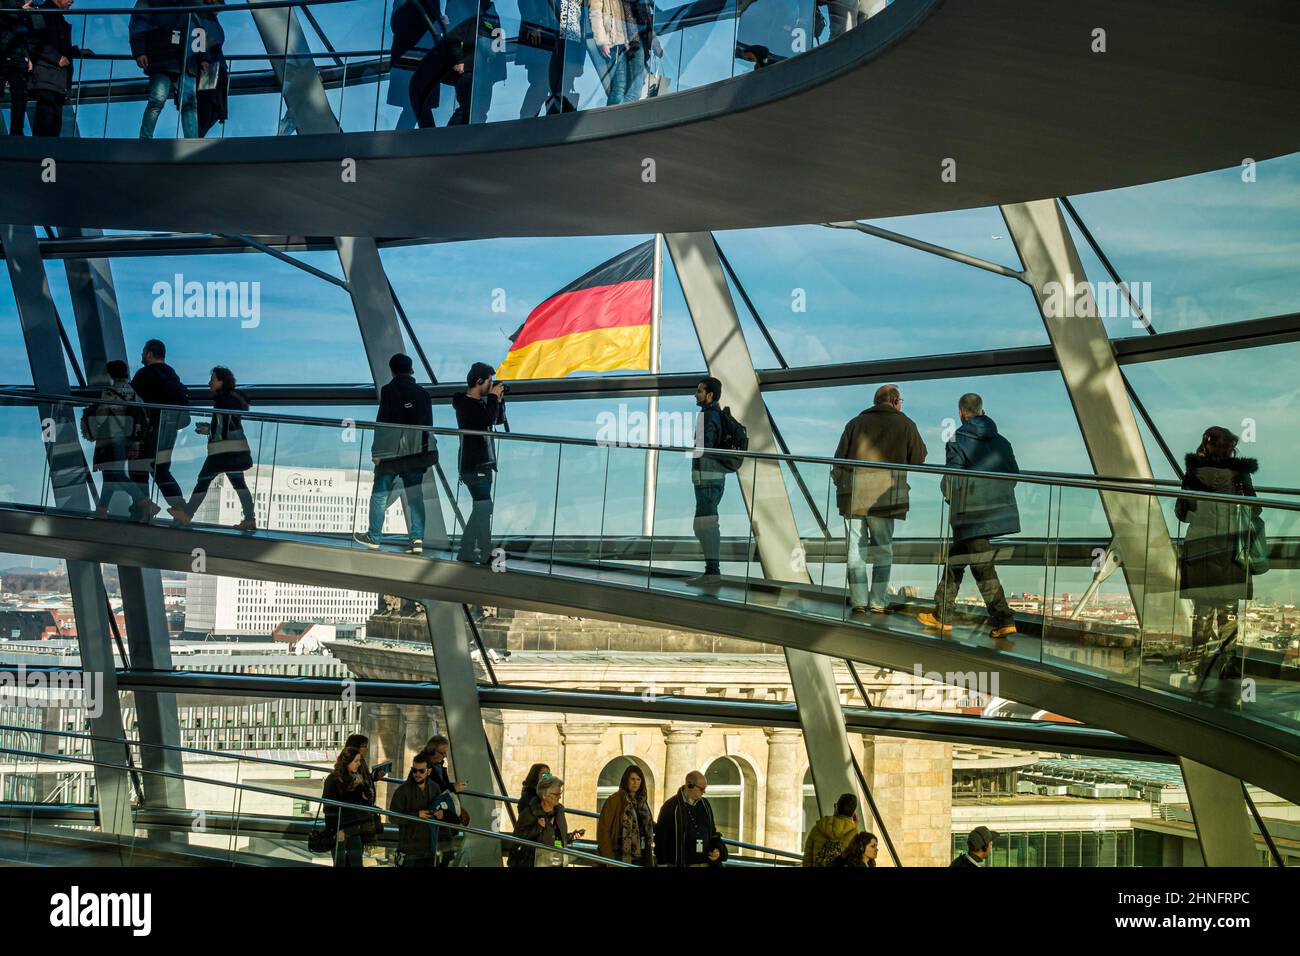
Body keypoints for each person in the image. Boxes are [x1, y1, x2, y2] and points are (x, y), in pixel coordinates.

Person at [918, 393, 1019, 641]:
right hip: (995, 510)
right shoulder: (1003, 442)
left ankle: (1003, 618)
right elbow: (1014, 475)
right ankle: (942, 614)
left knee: (981, 565)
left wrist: (951, 496)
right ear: (982, 410)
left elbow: (953, 478)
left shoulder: (957, 438)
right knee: (956, 559)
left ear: (961, 412)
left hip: (969, 512)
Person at [1175, 426, 1260, 689]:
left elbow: (1181, 510)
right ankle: (1227, 662)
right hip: (1230, 545)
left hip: (1200, 546)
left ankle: (1198, 659)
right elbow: (1254, 508)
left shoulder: (1193, 471)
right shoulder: (1240, 473)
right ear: (1230, 447)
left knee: (1202, 609)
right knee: (1229, 610)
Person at [831, 384, 927, 615]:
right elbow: (919, 458)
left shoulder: (855, 423)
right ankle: (878, 602)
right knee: (883, 550)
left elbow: (838, 461)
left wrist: (841, 485)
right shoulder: (905, 424)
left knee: (856, 550)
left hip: (853, 497)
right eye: (900, 400)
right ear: (894, 401)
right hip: (886, 499)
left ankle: (858, 601)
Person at [354, 353, 436, 554]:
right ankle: (416, 540)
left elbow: (382, 423)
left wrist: (377, 452)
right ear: (411, 370)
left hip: (391, 454)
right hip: (416, 453)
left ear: (392, 370)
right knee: (415, 496)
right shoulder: (424, 394)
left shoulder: (389, 391)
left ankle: (374, 536)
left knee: (380, 494)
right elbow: (428, 426)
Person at [174, 366, 255, 530]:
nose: (209, 383)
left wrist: (209, 430)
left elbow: (223, 425)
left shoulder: (223, 399)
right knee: (239, 484)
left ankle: (187, 515)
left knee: (203, 480)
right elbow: (228, 424)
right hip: (235, 449)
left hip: (222, 451)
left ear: (221, 381)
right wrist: (210, 428)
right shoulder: (234, 398)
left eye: (213, 379)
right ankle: (249, 519)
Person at [130, 339, 190, 523]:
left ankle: (143, 510)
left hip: (148, 430)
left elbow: (133, 405)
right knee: (161, 470)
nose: (141, 355)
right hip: (168, 432)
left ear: (149, 354)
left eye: (143, 352)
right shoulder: (172, 376)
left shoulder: (143, 375)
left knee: (137, 468)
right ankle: (181, 508)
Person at [451, 361, 504, 564]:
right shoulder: (465, 404)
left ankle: (467, 550)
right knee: (484, 507)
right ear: (479, 381)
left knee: (481, 507)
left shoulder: (481, 404)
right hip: (474, 465)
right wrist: (492, 398)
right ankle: (484, 552)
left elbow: (495, 420)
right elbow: (485, 419)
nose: (490, 386)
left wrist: (498, 401)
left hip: (484, 464)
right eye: (489, 382)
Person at [83, 360, 148, 519]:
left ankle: (144, 501)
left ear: (111, 374)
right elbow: (140, 416)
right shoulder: (134, 392)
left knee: (116, 473)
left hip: (111, 440)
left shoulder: (109, 393)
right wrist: (136, 445)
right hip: (128, 439)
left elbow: (100, 418)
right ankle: (101, 511)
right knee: (109, 475)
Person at [130, 0, 202, 139]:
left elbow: (199, 29)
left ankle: (192, 140)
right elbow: (138, 26)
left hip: (184, 61)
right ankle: (145, 139)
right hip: (163, 59)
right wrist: (139, 52)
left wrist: (204, 57)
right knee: (158, 100)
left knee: (188, 103)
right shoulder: (147, 2)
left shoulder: (193, 2)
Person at [26, 0, 91, 137]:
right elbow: (34, 42)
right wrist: (57, 58)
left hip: (57, 81)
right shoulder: (41, 13)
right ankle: (43, 156)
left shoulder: (58, 17)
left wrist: (77, 52)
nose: (72, 1)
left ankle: (49, 156)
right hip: (46, 78)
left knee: (54, 125)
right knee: (46, 125)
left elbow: (58, 46)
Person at [688, 376, 729, 588]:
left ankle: (713, 572)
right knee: (703, 524)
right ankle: (711, 570)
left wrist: (696, 473)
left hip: (708, 478)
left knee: (705, 524)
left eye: (700, 391)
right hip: (716, 477)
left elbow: (703, 449)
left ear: (709, 395)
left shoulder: (707, 416)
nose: (696, 394)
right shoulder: (717, 415)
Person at [517, 0, 586, 116]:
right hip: (545, 36)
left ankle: (556, 125)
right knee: (540, 84)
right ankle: (524, 125)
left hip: (568, 41)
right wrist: (533, 23)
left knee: (563, 87)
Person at [654, 770, 727, 867]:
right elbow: (661, 839)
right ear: (690, 785)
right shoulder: (670, 806)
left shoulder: (705, 805)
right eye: (701, 789)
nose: (704, 792)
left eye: (705, 789)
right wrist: (662, 863)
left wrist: (718, 850)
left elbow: (713, 833)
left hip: (706, 863)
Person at [509, 773, 581, 867]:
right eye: (556, 794)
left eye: (560, 793)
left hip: (557, 862)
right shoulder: (530, 812)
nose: (559, 797)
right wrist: (537, 827)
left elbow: (555, 837)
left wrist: (570, 837)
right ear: (544, 796)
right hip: (534, 862)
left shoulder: (559, 811)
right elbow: (517, 837)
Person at [387, 752, 443, 867]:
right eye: (414, 770)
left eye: (421, 771)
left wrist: (441, 814)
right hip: (409, 848)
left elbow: (441, 808)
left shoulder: (435, 788)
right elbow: (392, 817)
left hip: (429, 847)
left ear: (429, 771)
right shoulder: (402, 791)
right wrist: (417, 815)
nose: (417, 774)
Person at [322, 746, 375, 867]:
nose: (359, 764)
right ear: (347, 762)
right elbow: (329, 808)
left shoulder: (356, 778)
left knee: (356, 862)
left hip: (354, 827)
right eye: (356, 761)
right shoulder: (333, 780)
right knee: (340, 862)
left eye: (359, 761)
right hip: (340, 828)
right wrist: (337, 829)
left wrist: (366, 796)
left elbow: (362, 803)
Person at [595, 763, 654, 865]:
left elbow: (648, 824)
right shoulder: (615, 800)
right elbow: (603, 830)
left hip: (641, 853)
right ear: (626, 780)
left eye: (638, 779)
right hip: (619, 854)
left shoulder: (642, 802)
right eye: (632, 779)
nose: (635, 783)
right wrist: (609, 858)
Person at [423, 734, 470, 863]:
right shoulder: (423, 768)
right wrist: (453, 788)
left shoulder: (438, 766)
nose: (444, 756)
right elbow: (434, 790)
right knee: (443, 854)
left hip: (443, 815)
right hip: (435, 815)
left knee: (447, 853)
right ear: (432, 751)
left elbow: (441, 787)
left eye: (445, 753)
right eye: (442, 753)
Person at [589, 0, 641, 105]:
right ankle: (612, 118)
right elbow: (595, 14)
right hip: (613, 43)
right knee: (619, 87)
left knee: (631, 89)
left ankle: (623, 116)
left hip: (625, 42)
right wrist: (601, 41)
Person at [194, 0, 228, 136]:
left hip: (216, 66)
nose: (219, 11)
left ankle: (198, 137)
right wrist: (204, 59)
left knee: (212, 107)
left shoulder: (209, 16)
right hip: (210, 65)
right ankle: (197, 138)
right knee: (207, 105)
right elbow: (200, 37)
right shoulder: (202, 14)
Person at [802, 792, 858, 867]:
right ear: (853, 813)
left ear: (836, 807)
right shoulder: (854, 835)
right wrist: (854, 826)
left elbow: (807, 859)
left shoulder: (817, 828)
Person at [0, 0, 31, 135]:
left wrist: (30, 55)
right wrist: (19, 11)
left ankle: (16, 132)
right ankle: (16, 132)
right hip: (4, 50)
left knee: (20, 95)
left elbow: (30, 30)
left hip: (19, 54)